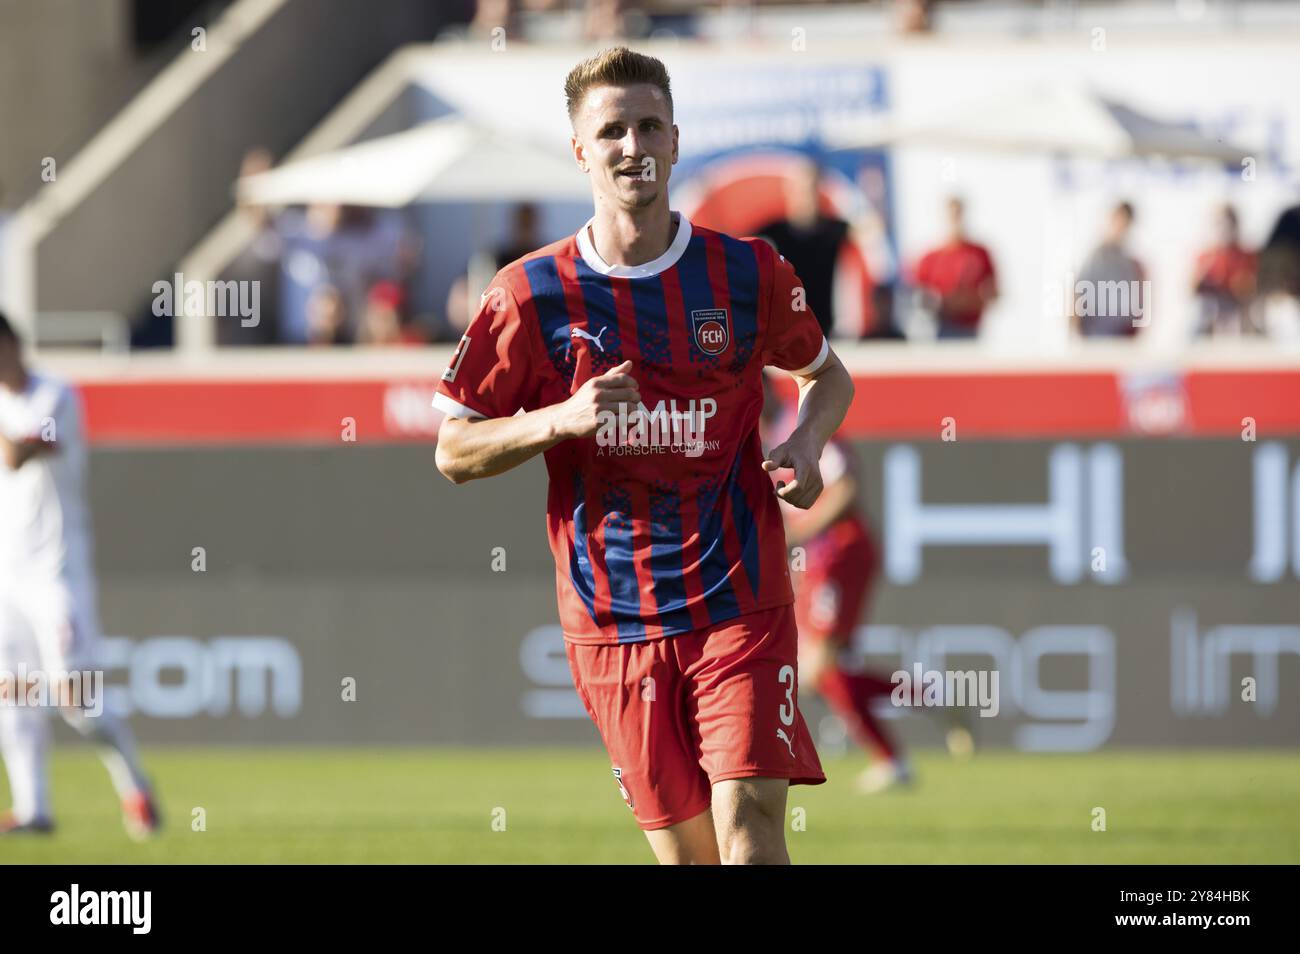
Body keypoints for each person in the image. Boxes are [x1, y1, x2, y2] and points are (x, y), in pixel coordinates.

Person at [433, 47, 855, 865]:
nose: (634, 145)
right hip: (612, 619)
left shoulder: (747, 272)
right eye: (613, 129)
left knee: (750, 830)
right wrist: (559, 419)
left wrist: (806, 439)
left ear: (675, 139)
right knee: (691, 859)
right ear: (581, 150)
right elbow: (454, 449)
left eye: (649, 125)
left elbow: (825, 375)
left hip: (741, 599)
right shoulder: (529, 294)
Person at [0, 311, 159, 838]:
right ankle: (33, 809)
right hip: (9, 576)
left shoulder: (56, 396)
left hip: (56, 574)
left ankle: (135, 784)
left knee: (79, 703)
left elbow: (19, 452)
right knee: (13, 695)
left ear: (14, 344)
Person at [756, 160, 854, 339]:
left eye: (811, 188)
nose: (806, 196)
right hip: (786, 333)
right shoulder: (771, 232)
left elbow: (872, 236)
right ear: (789, 191)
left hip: (826, 331)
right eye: (800, 189)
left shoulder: (838, 230)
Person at [911, 197, 997, 339]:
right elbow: (915, 295)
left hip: (971, 329)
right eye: (951, 215)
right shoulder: (930, 257)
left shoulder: (979, 253)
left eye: (958, 214)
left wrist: (970, 301)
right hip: (938, 328)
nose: (954, 220)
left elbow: (994, 292)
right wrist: (940, 303)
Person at [1072, 201, 1146, 338]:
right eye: (1119, 221)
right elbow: (1077, 295)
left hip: (1122, 339)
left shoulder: (1129, 262)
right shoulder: (1096, 257)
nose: (1121, 228)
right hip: (1095, 338)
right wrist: (1076, 335)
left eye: (1126, 223)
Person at [1191, 204, 1258, 337]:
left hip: (1237, 308)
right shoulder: (1206, 255)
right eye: (1219, 224)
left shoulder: (1246, 255)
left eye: (1228, 223)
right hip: (1212, 310)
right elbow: (1193, 289)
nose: (1224, 229)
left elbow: (1249, 289)